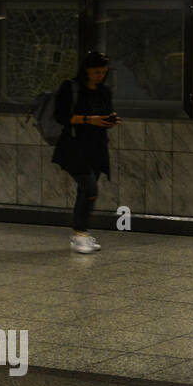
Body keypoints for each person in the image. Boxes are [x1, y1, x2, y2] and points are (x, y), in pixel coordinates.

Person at [52, 51, 119, 254]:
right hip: (74, 146)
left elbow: (105, 113)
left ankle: (80, 233)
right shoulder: (70, 88)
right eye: (96, 72)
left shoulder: (104, 91)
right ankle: (80, 233)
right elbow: (61, 116)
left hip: (96, 146)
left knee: (86, 191)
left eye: (103, 72)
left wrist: (109, 120)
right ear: (87, 70)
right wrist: (90, 119)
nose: (100, 75)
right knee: (89, 188)